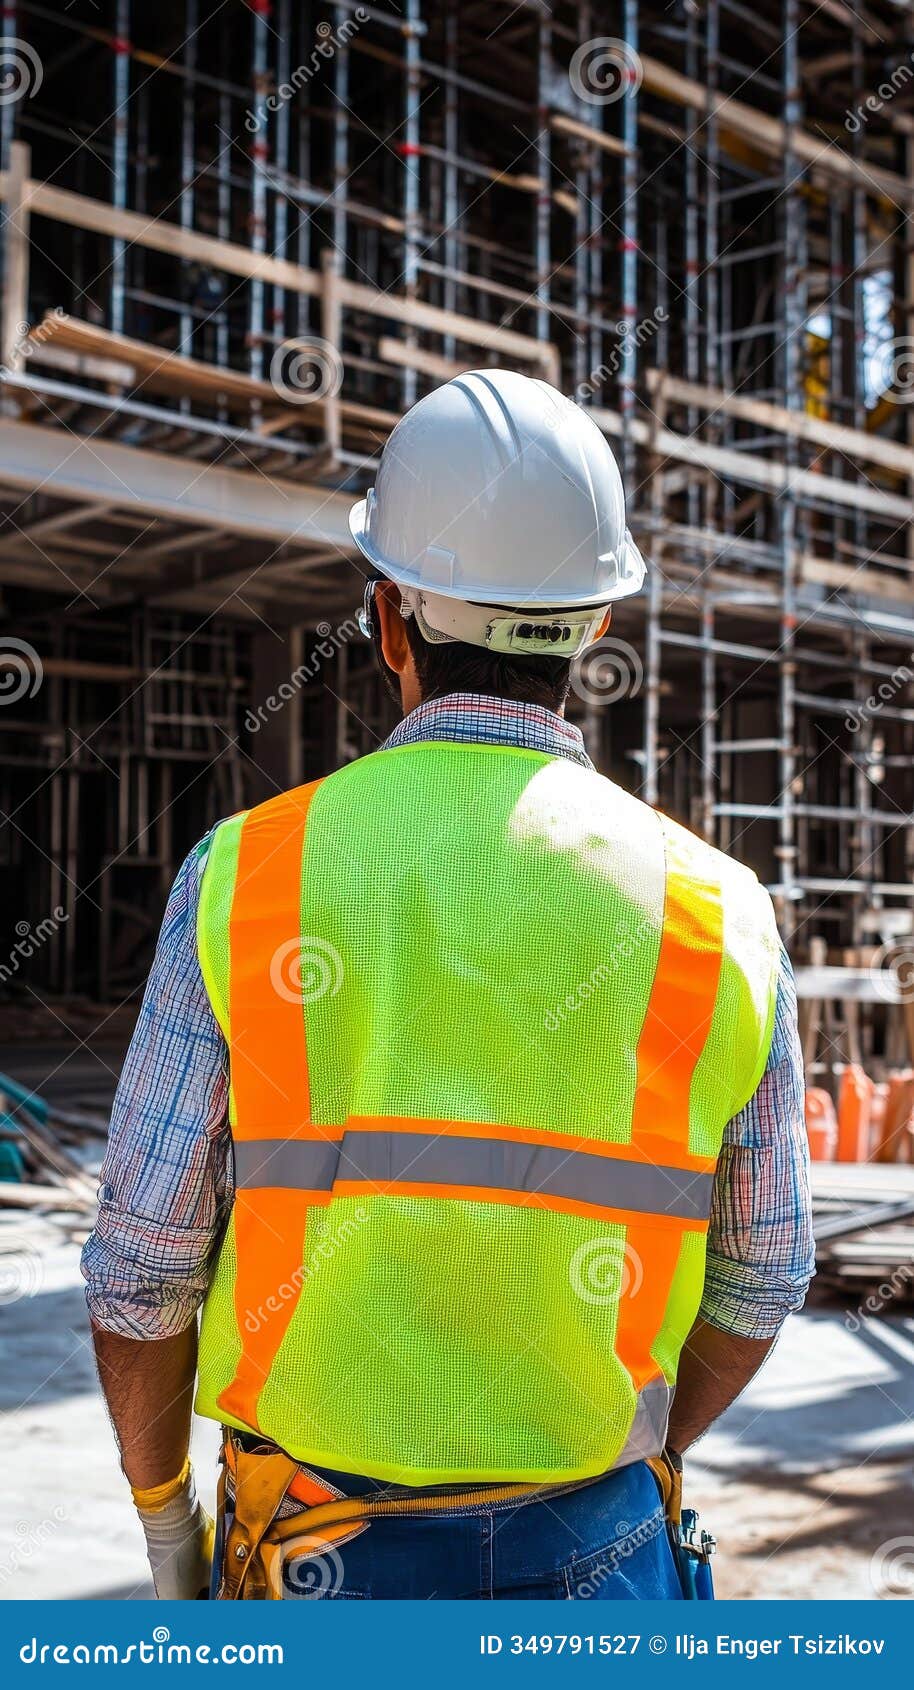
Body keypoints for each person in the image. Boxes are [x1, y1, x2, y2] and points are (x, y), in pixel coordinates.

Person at [82, 369, 814, 1601]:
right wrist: (630, 1456)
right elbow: (764, 1269)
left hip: (316, 1557)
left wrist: (169, 1532)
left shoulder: (246, 875)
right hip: (600, 1558)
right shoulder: (719, 910)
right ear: (593, 626)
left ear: (387, 620)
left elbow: (141, 1274)